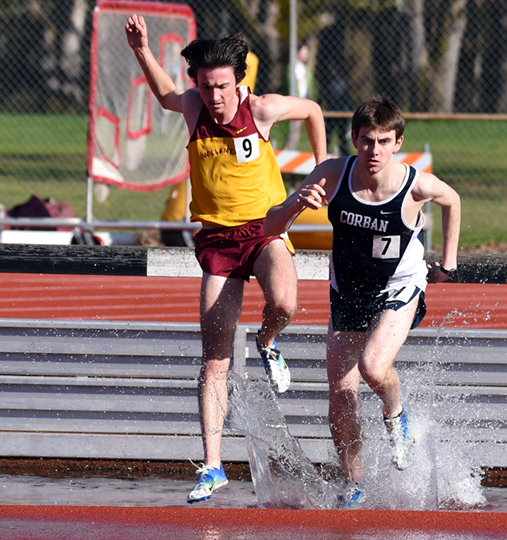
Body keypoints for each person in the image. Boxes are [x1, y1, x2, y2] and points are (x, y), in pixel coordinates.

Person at [125, 15, 327, 504]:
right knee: (214, 360)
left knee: (286, 302)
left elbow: (316, 110)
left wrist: (321, 175)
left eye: (222, 86)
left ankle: (268, 340)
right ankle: (213, 466)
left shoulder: (261, 109)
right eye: (207, 86)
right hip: (216, 240)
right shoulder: (194, 106)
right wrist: (142, 50)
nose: (214, 96)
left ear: (239, 83)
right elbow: (166, 94)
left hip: (265, 229)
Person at [264, 95, 461, 508]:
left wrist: (449, 261)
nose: (374, 151)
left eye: (383, 142)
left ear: (397, 143)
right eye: (367, 141)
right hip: (347, 292)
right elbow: (271, 224)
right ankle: (355, 483)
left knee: (374, 365)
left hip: (398, 287)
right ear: (354, 139)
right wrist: (299, 204)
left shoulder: (415, 184)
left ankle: (396, 417)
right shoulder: (333, 174)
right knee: (341, 394)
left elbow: (453, 200)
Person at [284, 43, 315, 150]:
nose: (307, 54)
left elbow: (308, 84)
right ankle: (288, 150)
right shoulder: (292, 67)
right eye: (304, 52)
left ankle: (292, 149)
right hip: (295, 100)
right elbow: (290, 84)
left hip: (304, 100)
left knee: (297, 128)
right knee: (294, 128)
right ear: (298, 53)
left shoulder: (305, 68)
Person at [322, 65, 352, 155]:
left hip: (333, 112)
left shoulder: (329, 82)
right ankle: (346, 154)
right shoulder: (344, 82)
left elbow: (323, 96)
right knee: (342, 137)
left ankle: (324, 153)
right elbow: (349, 99)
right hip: (342, 112)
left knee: (329, 136)